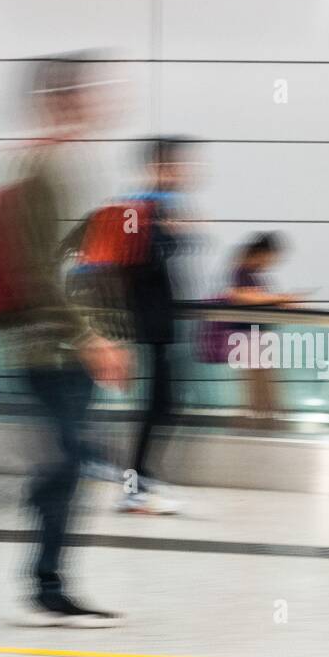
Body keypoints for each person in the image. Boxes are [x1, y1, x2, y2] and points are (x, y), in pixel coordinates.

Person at [5, 54, 130, 627]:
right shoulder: (40, 172)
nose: (99, 101)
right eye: (87, 92)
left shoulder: (71, 169)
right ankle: (47, 584)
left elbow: (79, 268)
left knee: (72, 460)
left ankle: (48, 577)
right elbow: (36, 275)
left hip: (69, 351)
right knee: (72, 459)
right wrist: (91, 339)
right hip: (47, 351)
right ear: (60, 100)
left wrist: (104, 334)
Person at [114, 136, 203, 516]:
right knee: (157, 405)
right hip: (148, 323)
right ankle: (134, 486)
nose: (186, 172)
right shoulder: (140, 207)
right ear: (160, 167)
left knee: (164, 404)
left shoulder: (159, 207)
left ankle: (141, 480)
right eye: (178, 165)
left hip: (160, 323)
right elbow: (139, 259)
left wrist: (178, 235)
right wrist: (174, 235)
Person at [223, 232, 304, 418]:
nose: (272, 262)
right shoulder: (241, 272)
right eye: (271, 257)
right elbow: (241, 296)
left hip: (255, 337)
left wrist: (280, 302)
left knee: (263, 384)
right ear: (261, 253)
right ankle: (263, 423)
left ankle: (267, 420)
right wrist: (280, 298)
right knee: (259, 386)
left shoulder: (249, 273)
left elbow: (255, 298)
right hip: (247, 337)